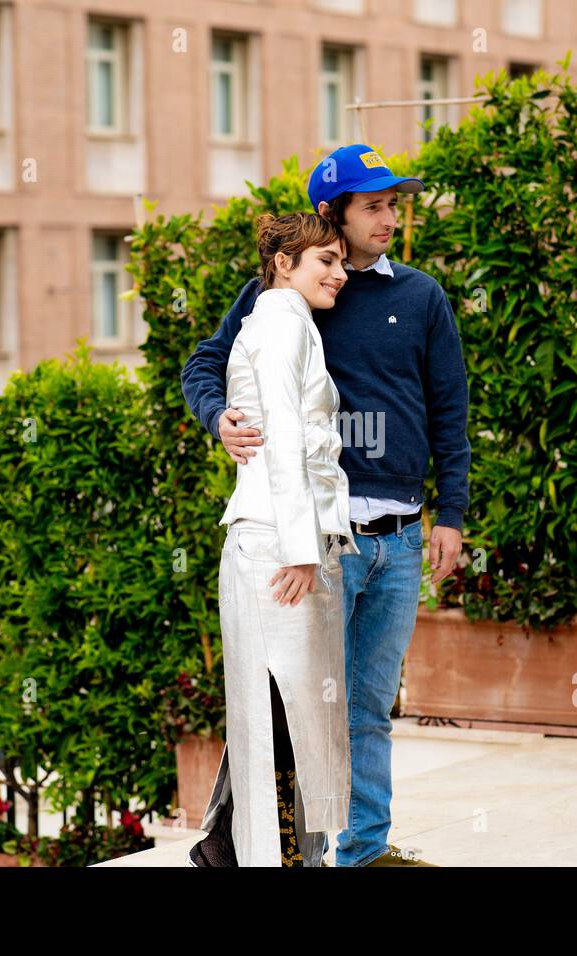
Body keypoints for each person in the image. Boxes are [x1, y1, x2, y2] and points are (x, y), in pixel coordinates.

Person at [182, 145, 471, 866]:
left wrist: (453, 514)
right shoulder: (290, 295)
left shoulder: (422, 295)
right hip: (323, 542)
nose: (388, 218)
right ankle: (267, 848)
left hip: (400, 538)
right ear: (330, 215)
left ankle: (363, 850)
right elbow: (207, 363)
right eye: (372, 205)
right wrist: (219, 416)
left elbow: (450, 411)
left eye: (393, 204)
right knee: (299, 707)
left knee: (368, 709)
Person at [189, 212, 359, 867]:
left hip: (283, 541)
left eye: (342, 263)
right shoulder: (282, 322)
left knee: (289, 717)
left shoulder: (288, 322)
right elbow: (284, 439)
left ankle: (241, 853)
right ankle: (262, 856)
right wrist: (301, 551)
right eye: (326, 262)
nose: (339, 274)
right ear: (284, 264)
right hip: (275, 547)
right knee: (283, 715)